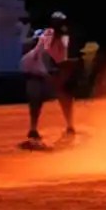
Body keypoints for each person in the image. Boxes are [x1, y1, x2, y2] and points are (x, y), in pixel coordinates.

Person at [19, 11, 76, 145]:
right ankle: (33, 129)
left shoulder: (63, 37)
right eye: (58, 23)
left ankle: (70, 126)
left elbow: (61, 59)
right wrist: (48, 76)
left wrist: (59, 74)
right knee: (35, 99)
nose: (61, 26)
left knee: (65, 97)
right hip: (33, 70)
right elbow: (40, 56)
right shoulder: (48, 35)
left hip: (45, 72)